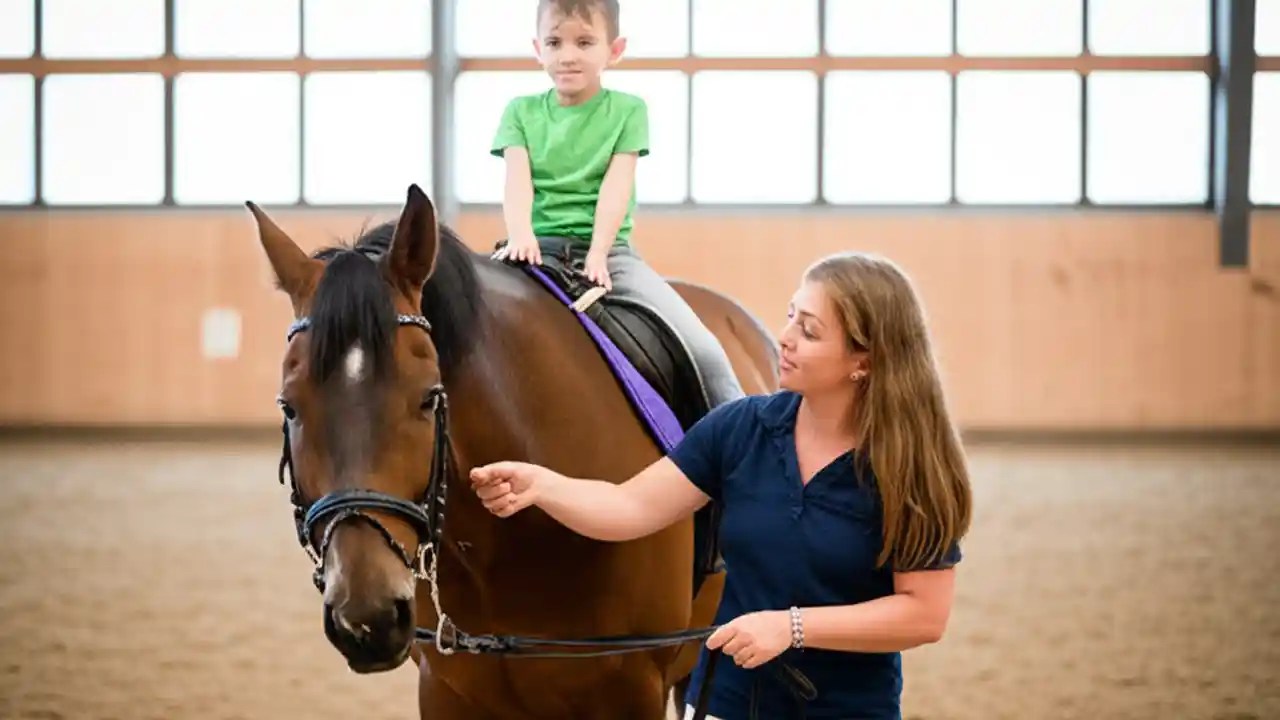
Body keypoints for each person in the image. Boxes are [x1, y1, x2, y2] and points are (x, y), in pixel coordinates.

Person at [469, 252, 974, 719]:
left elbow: (923, 614)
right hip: (724, 702)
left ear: (862, 362)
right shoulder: (740, 428)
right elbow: (629, 506)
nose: (786, 337)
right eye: (791, 316)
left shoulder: (910, 466)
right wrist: (542, 486)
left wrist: (791, 627)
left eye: (811, 331)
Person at [490, 0, 744, 409]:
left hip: (610, 255)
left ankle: (739, 441)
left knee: (705, 351)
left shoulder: (627, 110)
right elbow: (517, 180)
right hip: (534, 248)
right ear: (538, 49)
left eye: (584, 42)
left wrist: (599, 253)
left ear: (615, 50)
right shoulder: (520, 111)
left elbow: (616, 186)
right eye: (554, 42)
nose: (567, 55)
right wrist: (521, 234)